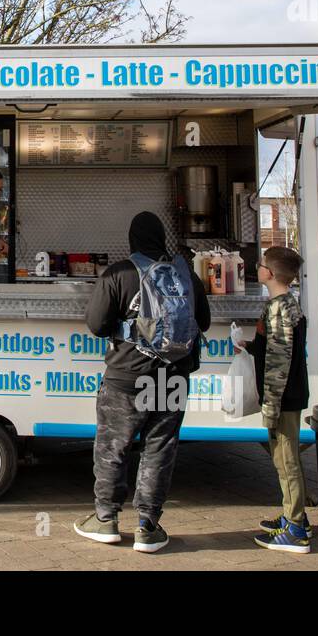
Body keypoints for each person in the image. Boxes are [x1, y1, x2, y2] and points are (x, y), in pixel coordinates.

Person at [75, 211, 210, 553]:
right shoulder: (185, 275)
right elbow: (204, 321)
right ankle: (148, 526)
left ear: (132, 239)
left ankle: (106, 520)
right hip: (174, 376)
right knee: (159, 448)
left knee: (113, 447)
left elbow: (95, 323)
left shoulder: (120, 273)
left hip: (127, 378)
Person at [245, 246, 311, 553]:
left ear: (269, 273)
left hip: (283, 398)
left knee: (286, 461)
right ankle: (291, 515)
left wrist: (270, 406)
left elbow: (279, 364)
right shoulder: (284, 304)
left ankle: (296, 529)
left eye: (259, 265)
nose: (256, 268)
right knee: (283, 458)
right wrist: (251, 346)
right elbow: (274, 349)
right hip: (287, 395)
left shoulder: (279, 309)